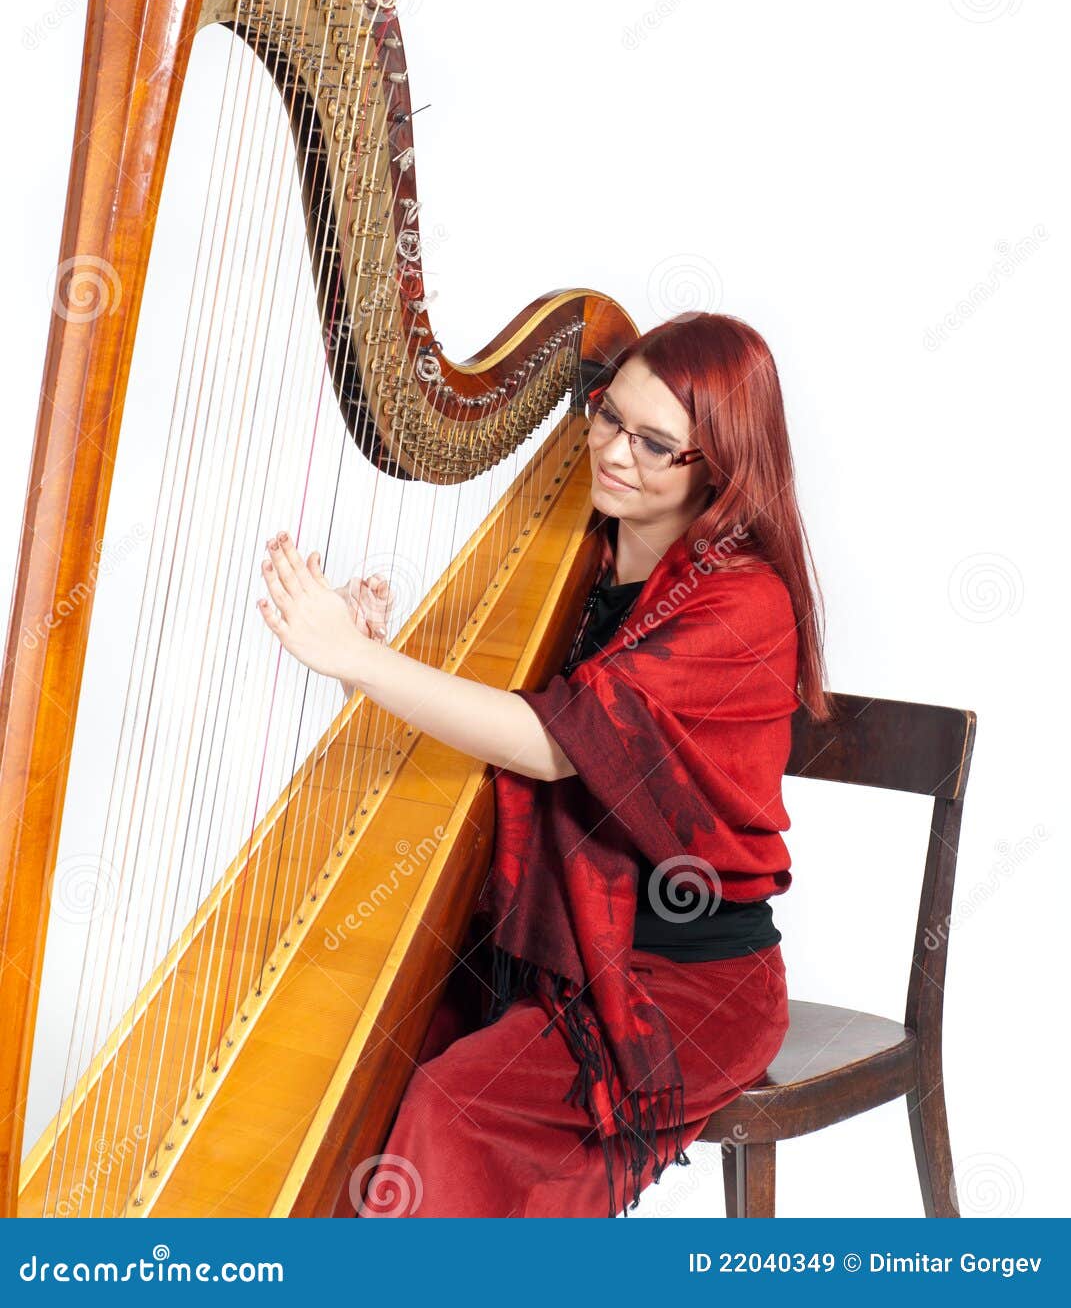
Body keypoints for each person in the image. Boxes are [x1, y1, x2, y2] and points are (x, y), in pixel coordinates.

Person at [256, 311, 831, 1217]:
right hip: (551, 953)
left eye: (655, 444)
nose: (613, 451)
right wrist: (379, 662)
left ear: (718, 462)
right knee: (347, 1066)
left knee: (454, 1107)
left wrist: (362, 661)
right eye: (608, 416)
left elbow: (559, 747)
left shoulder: (744, 603)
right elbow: (492, 750)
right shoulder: (580, 562)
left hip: (684, 984)